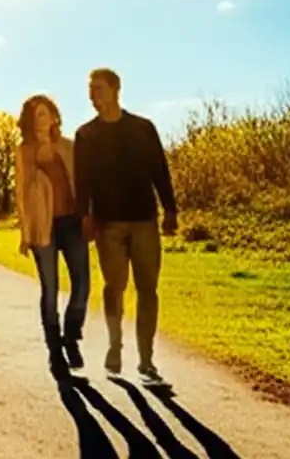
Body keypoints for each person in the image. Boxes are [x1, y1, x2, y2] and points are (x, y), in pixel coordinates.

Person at [74, 68, 178, 388]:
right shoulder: (86, 135)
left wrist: (170, 209)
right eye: (90, 90)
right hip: (109, 225)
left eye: (99, 88)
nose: (93, 95)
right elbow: (82, 181)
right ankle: (115, 346)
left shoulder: (143, 128)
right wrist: (85, 218)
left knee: (148, 290)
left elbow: (160, 170)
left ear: (116, 90)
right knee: (114, 287)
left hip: (144, 220)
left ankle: (146, 361)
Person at [15, 94, 94, 378]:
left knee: (82, 285)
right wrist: (26, 232)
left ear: (53, 117)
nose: (40, 120)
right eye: (35, 115)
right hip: (43, 226)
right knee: (50, 289)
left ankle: (71, 336)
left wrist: (89, 216)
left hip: (72, 223)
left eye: (44, 113)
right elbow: (21, 193)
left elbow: (84, 185)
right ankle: (55, 351)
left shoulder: (69, 147)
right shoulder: (24, 151)